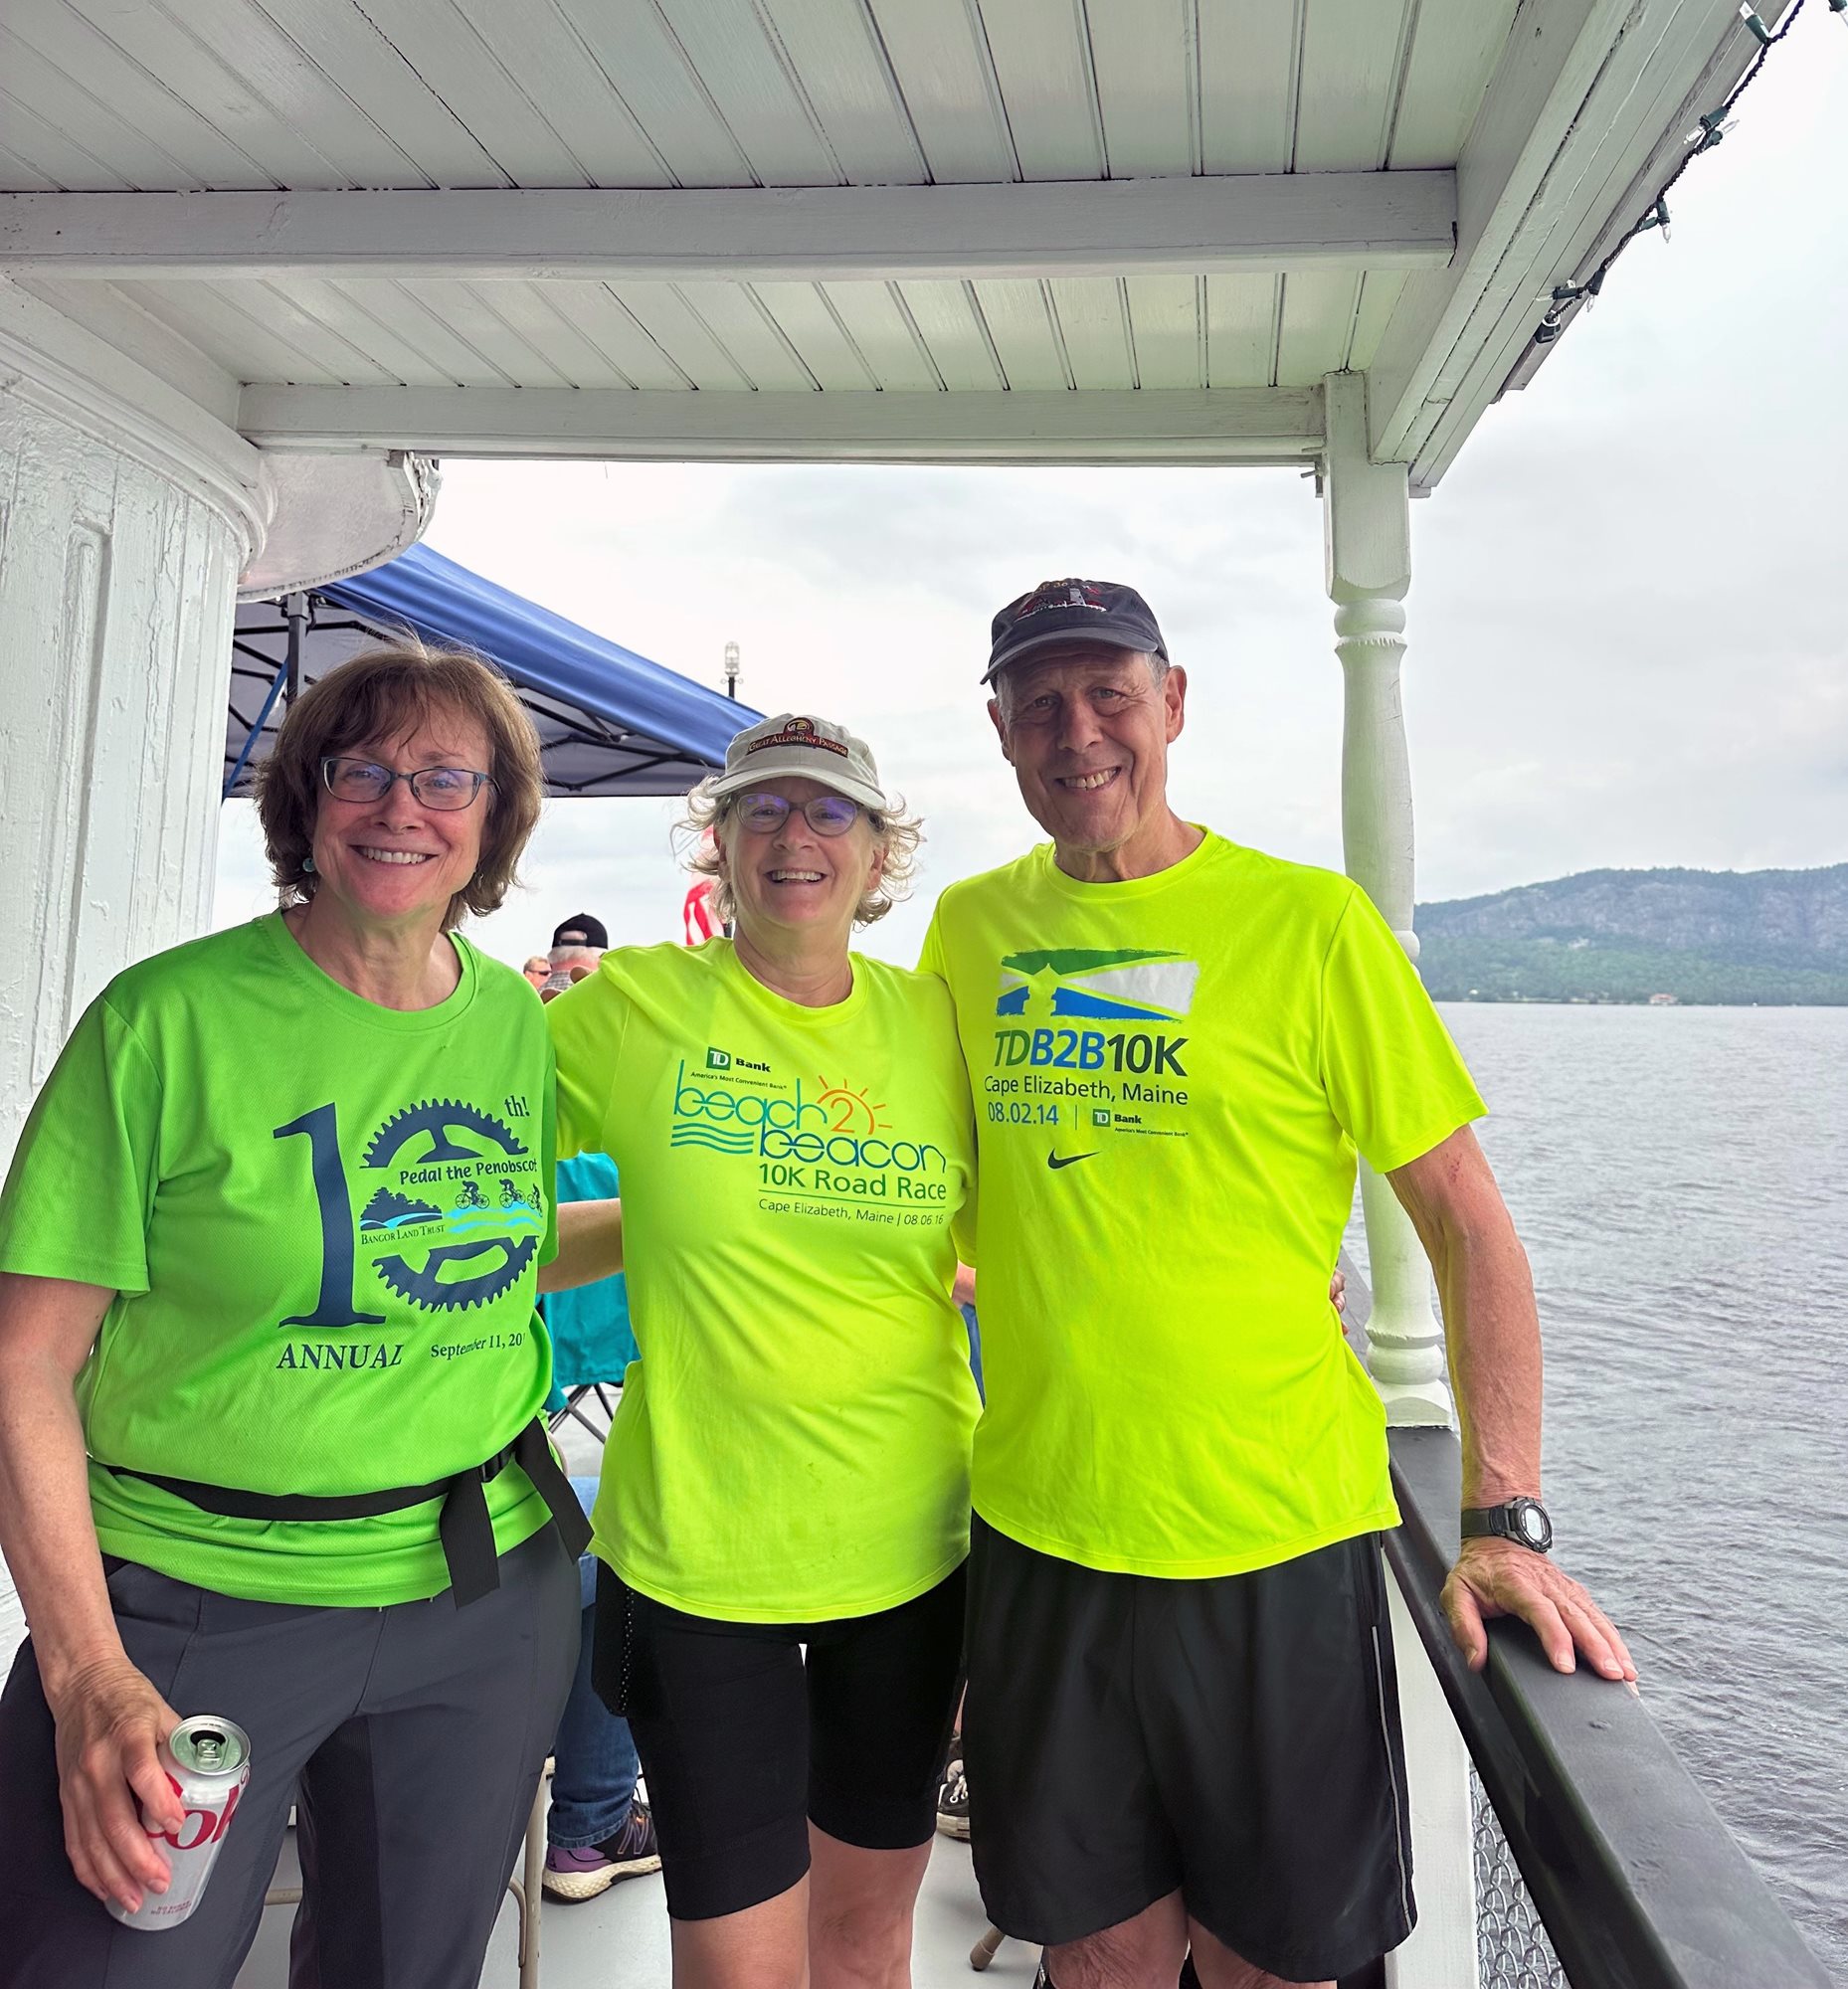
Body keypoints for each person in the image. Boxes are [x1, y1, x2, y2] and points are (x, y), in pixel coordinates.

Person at [918, 580, 1637, 1989]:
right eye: (1041, 705)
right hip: (1042, 1533)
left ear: (1172, 704)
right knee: (1098, 1952)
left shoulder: (1310, 925)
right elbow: (935, 1189)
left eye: (1108, 696)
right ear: (998, 728)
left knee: (1275, 1962)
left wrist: (1501, 1512)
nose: (1078, 734)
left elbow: (1464, 1222)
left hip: (1270, 1540)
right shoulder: (964, 929)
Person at [0, 641, 589, 1989]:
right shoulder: (166, 1023)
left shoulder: (513, 1022)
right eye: (363, 770)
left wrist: (713, 1228)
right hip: (198, 1606)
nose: (401, 807)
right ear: (305, 802)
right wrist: (88, 1675)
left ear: (494, 815)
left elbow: (465, 1248)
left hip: (481, 1598)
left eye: (446, 776)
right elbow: (26, 1359)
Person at [542, 712, 979, 1989]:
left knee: (862, 1947)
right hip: (698, 1553)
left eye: (830, 811)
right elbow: (462, 1151)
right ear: (717, 847)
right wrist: (643, 1224)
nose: (797, 836)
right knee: (737, 1968)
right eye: (763, 812)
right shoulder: (628, 1008)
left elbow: (1061, 1213)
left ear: (878, 854)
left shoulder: (937, 1025)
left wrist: (1294, 1282)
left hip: (909, 1546)